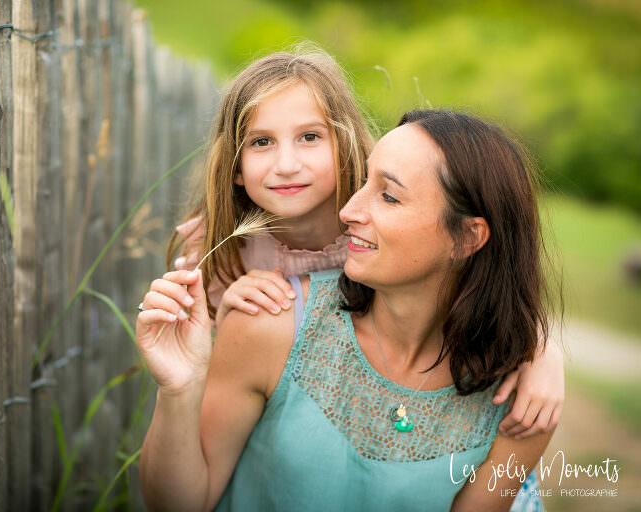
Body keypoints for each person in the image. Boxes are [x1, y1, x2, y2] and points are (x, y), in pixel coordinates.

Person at [136, 110, 559, 511]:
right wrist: (178, 390)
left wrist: (543, 349)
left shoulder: (519, 404)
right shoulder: (270, 322)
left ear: (467, 238)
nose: (349, 211)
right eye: (363, 182)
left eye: (388, 196)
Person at [168, 48, 563, 444]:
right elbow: (207, 358)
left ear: (343, 142)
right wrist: (229, 301)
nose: (286, 164)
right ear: (235, 166)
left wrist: (542, 352)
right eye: (260, 142)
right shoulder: (219, 244)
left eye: (309, 137)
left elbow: (487, 282)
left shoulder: (376, 224)